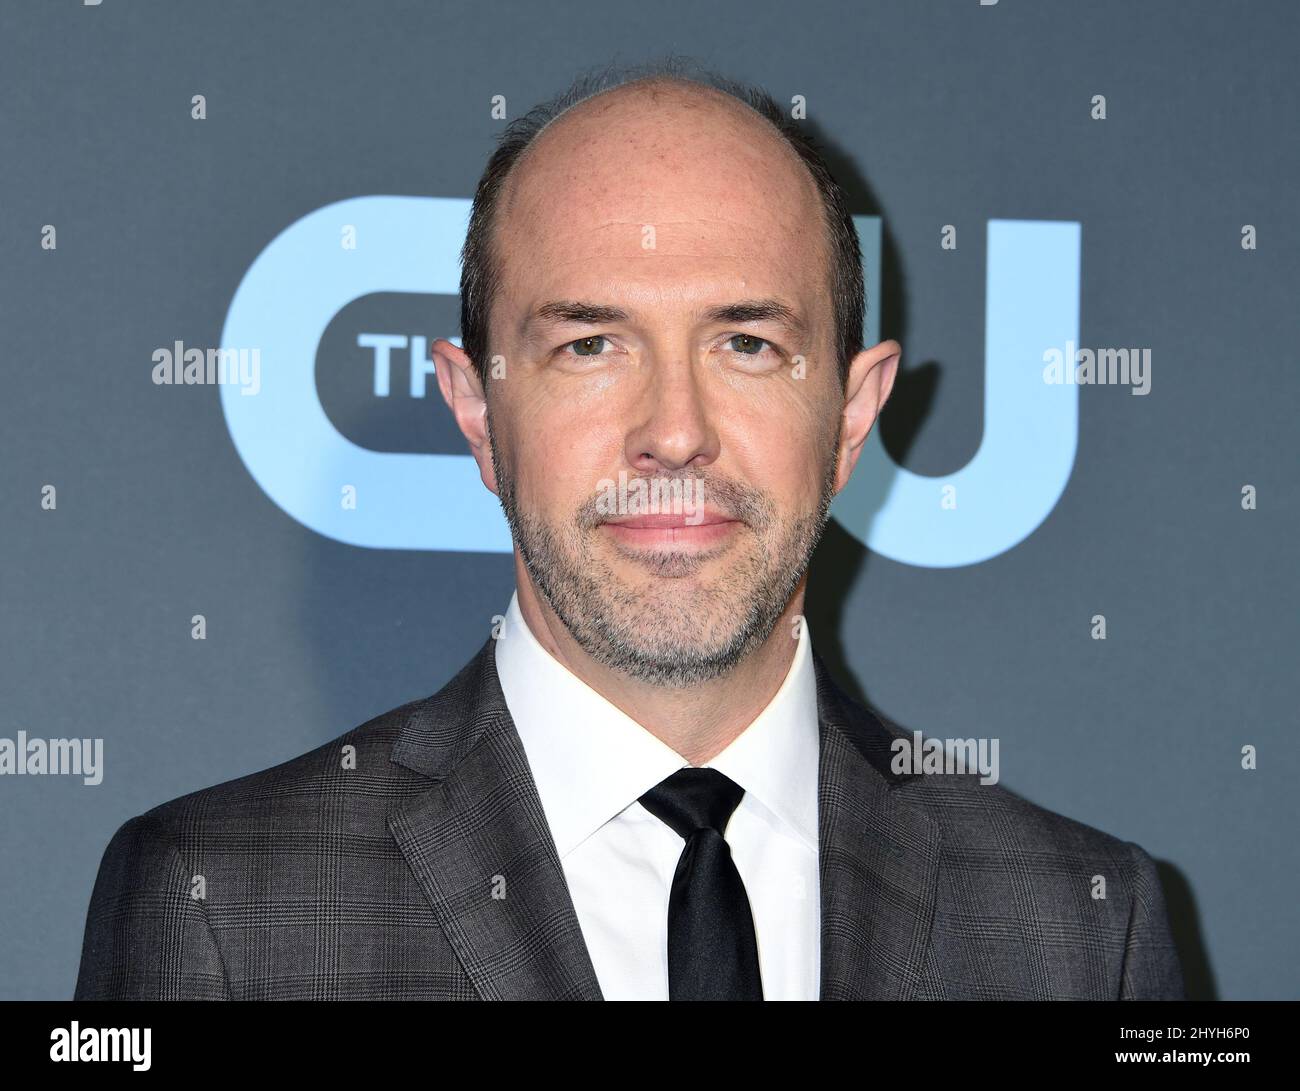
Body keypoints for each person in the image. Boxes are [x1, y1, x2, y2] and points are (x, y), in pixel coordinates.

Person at [75, 59, 1184, 1001]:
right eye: (590, 346)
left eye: (746, 343)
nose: (673, 431)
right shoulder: (225, 901)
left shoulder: (1083, 927)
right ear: (476, 409)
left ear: (851, 417)